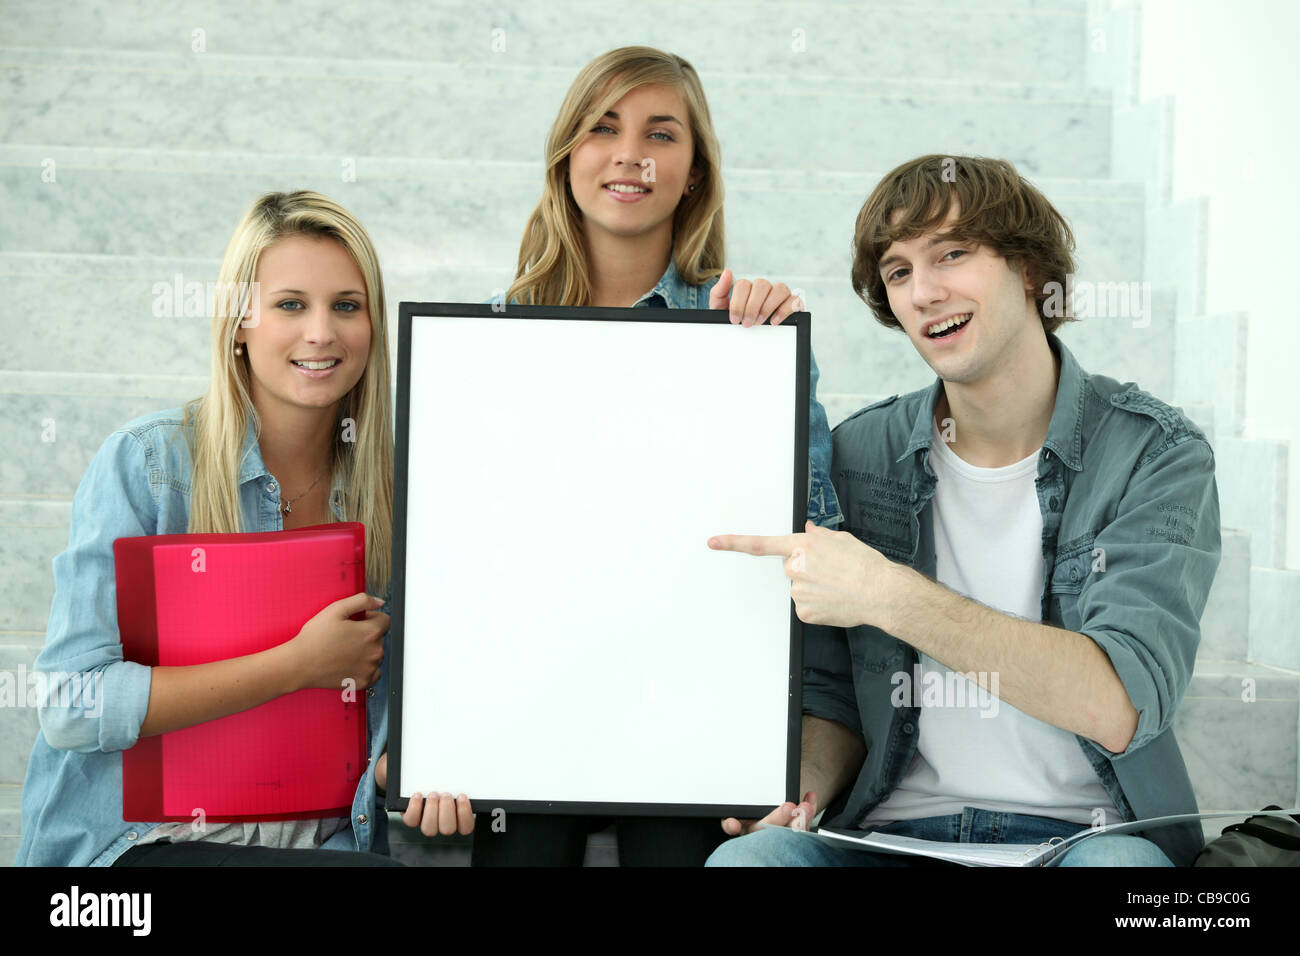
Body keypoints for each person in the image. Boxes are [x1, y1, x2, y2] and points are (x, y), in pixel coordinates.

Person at [704, 155, 1222, 867]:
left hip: (1082, 844)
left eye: (952, 254)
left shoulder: (1153, 453)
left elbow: (1118, 702)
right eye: (899, 272)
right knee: (750, 864)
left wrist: (889, 595)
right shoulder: (863, 453)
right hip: (892, 839)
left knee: (1123, 874)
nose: (924, 291)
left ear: (1030, 270)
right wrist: (804, 793)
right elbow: (835, 696)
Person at [399, 46, 844, 866]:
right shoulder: (486, 346)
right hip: (532, 694)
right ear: (568, 153)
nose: (631, 152)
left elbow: (815, 537)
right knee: (519, 840)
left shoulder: (748, 334)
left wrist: (767, 371)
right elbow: (450, 554)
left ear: (695, 172)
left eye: (661, 133)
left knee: (685, 836)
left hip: (690, 702)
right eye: (604, 127)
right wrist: (420, 739)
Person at [17, 190, 408, 866]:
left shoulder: (391, 492)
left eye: (346, 305)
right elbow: (71, 703)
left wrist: (397, 770)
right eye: (291, 305)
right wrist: (297, 666)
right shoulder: (149, 463)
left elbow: (376, 725)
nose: (322, 332)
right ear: (238, 324)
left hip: (319, 844)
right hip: (143, 847)